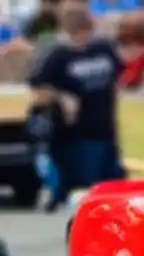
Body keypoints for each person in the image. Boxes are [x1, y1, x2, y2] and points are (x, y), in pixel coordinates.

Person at [27, 3, 126, 212]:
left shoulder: (103, 49)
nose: (82, 40)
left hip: (106, 127)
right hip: (76, 134)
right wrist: (62, 97)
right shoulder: (57, 56)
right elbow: (38, 90)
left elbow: (117, 76)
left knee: (114, 186)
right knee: (87, 187)